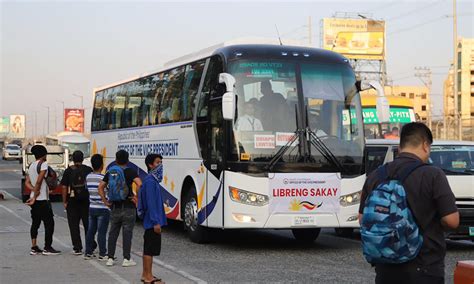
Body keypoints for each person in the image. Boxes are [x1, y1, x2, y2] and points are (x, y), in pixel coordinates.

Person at [359, 122, 459, 284]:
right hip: (424, 267)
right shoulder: (432, 174)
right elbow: (452, 221)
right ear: (425, 145)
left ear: (400, 146)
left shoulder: (376, 175)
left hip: (385, 269)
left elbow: (363, 219)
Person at [98, 150, 142, 267]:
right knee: (127, 233)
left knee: (113, 233)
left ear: (116, 160)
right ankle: (126, 259)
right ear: (128, 160)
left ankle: (110, 258)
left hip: (114, 206)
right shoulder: (130, 171)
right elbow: (140, 184)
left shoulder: (111, 172)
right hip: (128, 206)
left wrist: (105, 201)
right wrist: (137, 197)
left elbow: (101, 186)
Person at [25, 145, 61, 255]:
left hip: (34, 199)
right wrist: (36, 194)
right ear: (44, 154)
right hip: (42, 200)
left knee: (35, 223)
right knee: (49, 223)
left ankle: (34, 247)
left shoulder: (31, 165)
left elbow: (27, 183)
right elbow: (39, 181)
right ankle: (47, 247)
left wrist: (33, 193)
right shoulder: (43, 164)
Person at [138, 154, 167, 284]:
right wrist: (156, 222)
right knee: (150, 250)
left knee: (148, 248)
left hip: (149, 221)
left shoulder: (150, 180)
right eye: (157, 163)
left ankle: (146, 274)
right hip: (152, 222)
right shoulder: (150, 182)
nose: (160, 165)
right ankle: (148, 277)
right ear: (150, 165)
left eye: (161, 162)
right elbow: (151, 203)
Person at [61, 150, 93, 255]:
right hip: (86, 200)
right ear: (83, 159)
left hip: (72, 200)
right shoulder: (88, 170)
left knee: (73, 225)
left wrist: (65, 201)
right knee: (88, 224)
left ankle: (77, 247)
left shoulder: (68, 171)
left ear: (73, 159)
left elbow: (64, 187)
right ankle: (91, 245)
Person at [84, 154, 110, 260]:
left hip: (92, 206)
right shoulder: (103, 178)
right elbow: (107, 190)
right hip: (103, 207)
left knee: (91, 231)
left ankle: (88, 252)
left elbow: (87, 188)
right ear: (102, 165)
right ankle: (102, 253)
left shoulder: (88, 176)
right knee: (102, 232)